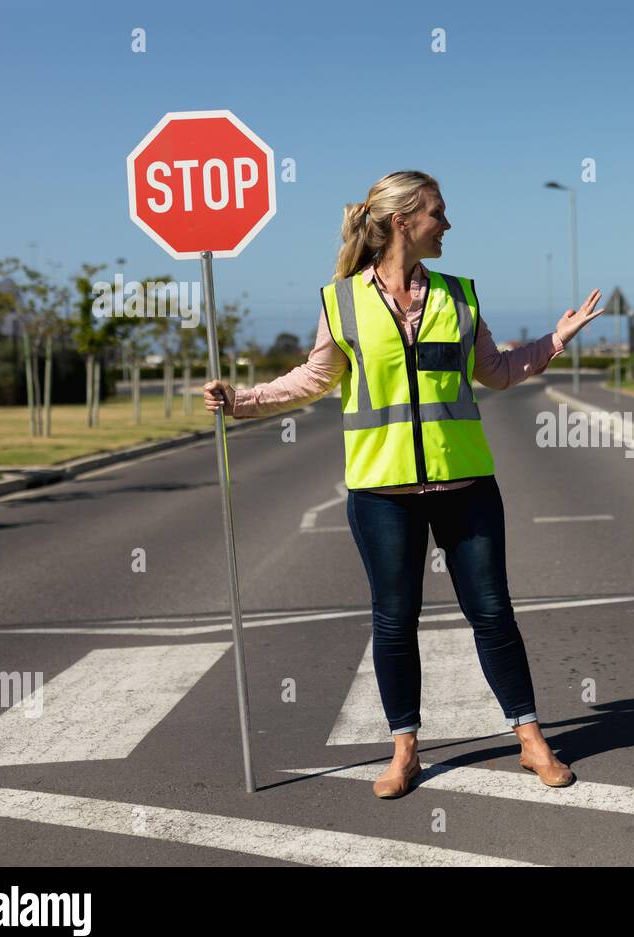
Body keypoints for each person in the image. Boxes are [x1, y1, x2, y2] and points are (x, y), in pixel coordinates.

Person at [204, 170, 604, 799]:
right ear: (403, 221)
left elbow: (495, 373)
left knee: (493, 612)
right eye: (438, 214)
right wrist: (242, 400)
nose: (447, 225)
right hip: (381, 491)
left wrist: (554, 340)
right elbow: (312, 379)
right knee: (395, 619)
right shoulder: (341, 301)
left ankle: (531, 742)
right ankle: (405, 751)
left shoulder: (458, 295)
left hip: (465, 482)